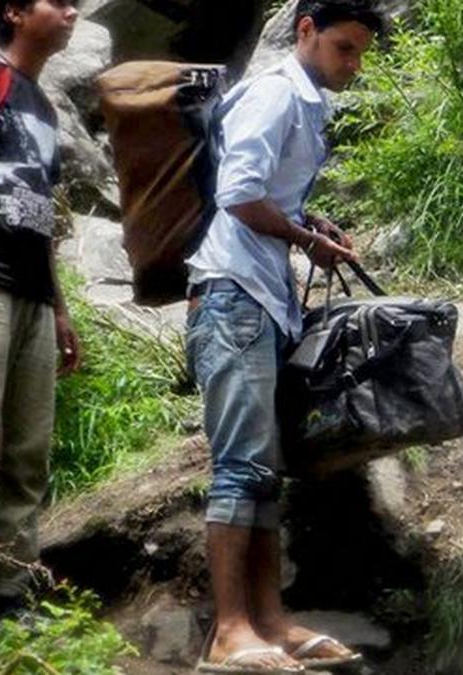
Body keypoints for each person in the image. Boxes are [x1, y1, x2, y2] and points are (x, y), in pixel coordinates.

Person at [184, 1, 379, 671]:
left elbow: (269, 192)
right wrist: (306, 241)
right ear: (305, 32)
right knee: (240, 466)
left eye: (359, 52)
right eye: (344, 49)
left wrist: (310, 224)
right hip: (233, 293)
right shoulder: (274, 93)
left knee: (263, 471)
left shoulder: (304, 101)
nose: (352, 65)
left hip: (261, 297)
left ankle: (269, 620)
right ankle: (229, 629)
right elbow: (239, 193)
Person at [0, 0, 81, 615]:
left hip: (31, 293)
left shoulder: (44, 106)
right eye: (60, 2)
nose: (73, 12)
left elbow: (43, 214)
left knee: (27, 451)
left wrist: (60, 307)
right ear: (17, 12)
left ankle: (7, 594)